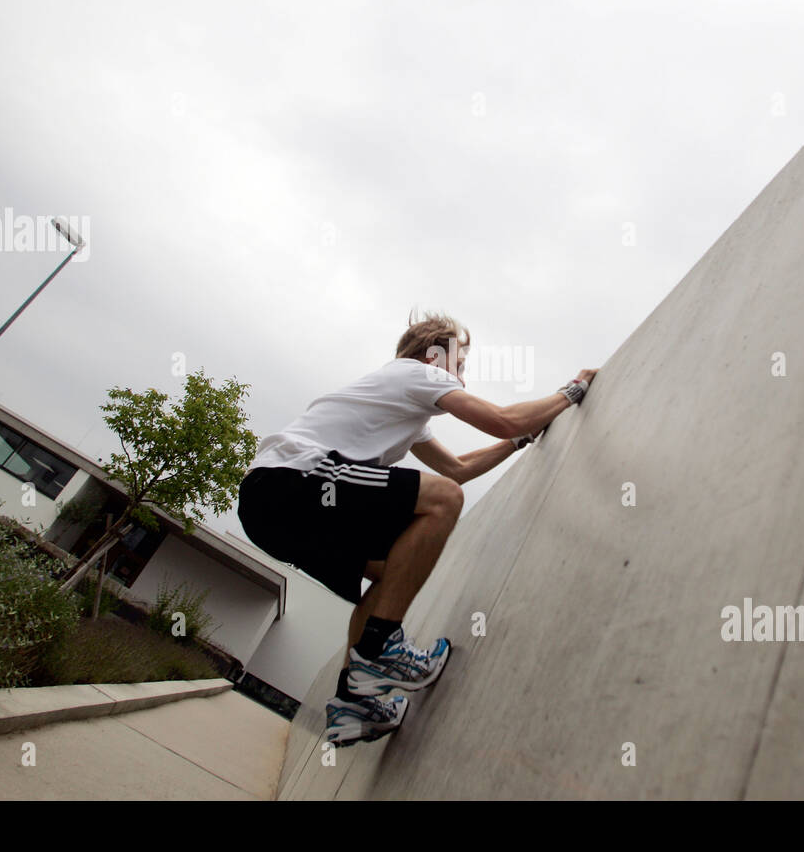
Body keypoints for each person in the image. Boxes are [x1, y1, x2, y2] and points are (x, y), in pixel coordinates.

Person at [237, 309, 597, 747]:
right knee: (442, 499)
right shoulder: (417, 375)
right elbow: (502, 420)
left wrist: (518, 441)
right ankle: (381, 649)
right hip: (294, 479)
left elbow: (458, 467)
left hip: (273, 510)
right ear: (434, 356)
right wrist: (571, 391)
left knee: (393, 572)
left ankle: (355, 706)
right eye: (459, 366)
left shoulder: (403, 403)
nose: (460, 379)